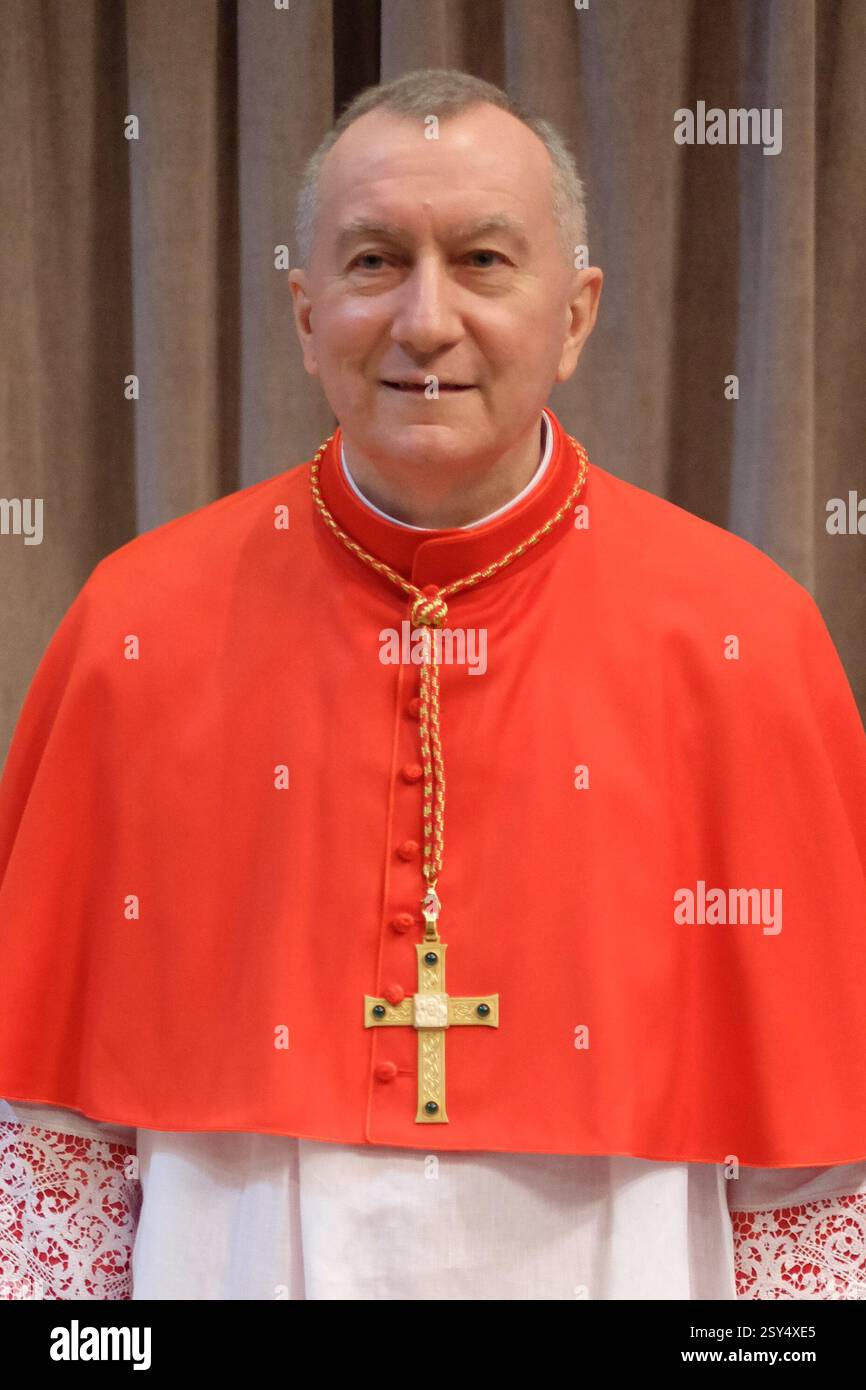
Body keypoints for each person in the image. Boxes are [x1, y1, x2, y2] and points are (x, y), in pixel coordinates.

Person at [2, 68, 866, 1302]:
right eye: (370, 261)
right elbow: (52, 1153)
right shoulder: (134, 629)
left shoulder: (744, 641)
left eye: (481, 260)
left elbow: (811, 1180)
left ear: (574, 314)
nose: (424, 318)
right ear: (303, 313)